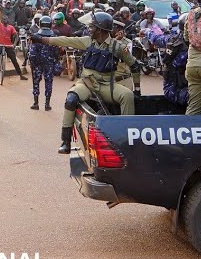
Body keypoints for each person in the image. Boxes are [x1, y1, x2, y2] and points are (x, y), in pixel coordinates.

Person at [34, 11, 141, 153]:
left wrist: (137, 89)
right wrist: (41, 39)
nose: (89, 29)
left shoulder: (118, 47)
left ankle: (126, 139)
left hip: (106, 86)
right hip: (87, 84)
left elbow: (134, 66)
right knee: (71, 98)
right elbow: (66, 40)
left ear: (100, 30)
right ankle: (65, 141)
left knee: (127, 95)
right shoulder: (88, 41)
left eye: (92, 27)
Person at [28, 16, 62, 111]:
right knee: (49, 83)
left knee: (36, 82)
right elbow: (57, 53)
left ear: (40, 24)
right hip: (49, 64)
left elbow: (32, 53)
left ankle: (36, 103)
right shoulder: (54, 37)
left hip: (37, 64)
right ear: (50, 25)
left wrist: (33, 63)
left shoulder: (35, 36)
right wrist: (55, 61)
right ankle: (47, 105)